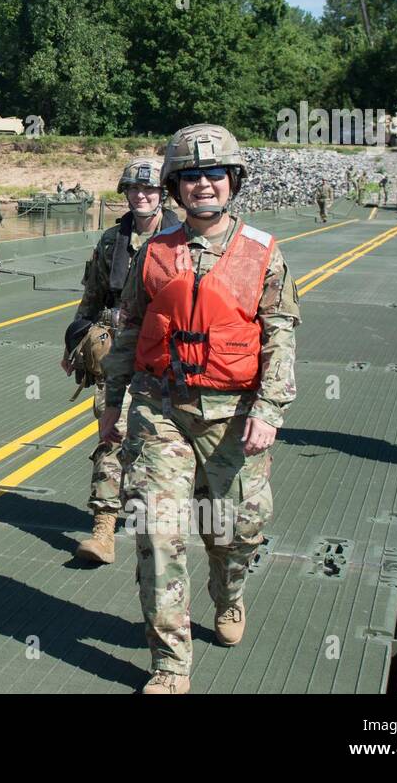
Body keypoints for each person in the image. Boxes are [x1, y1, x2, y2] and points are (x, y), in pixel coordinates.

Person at [99, 124, 300, 693]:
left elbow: (280, 332)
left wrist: (270, 407)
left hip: (235, 413)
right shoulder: (155, 252)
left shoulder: (263, 251)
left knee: (237, 530)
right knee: (157, 531)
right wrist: (112, 404)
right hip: (160, 407)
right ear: (174, 188)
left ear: (232, 181)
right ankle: (169, 664)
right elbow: (130, 329)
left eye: (214, 175)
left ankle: (229, 594)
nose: (203, 185)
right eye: (190, 177)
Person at [62, 158, 179, 564]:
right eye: (134, 190)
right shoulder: (112, 242)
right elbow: (92, 298)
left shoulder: (182, 240)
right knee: (111, 431)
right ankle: (104, 528)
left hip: (170, 354)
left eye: (148, 190)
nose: (141, 196)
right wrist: (74, 343)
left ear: (162, 194)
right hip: (118, 350)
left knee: (165, 445)